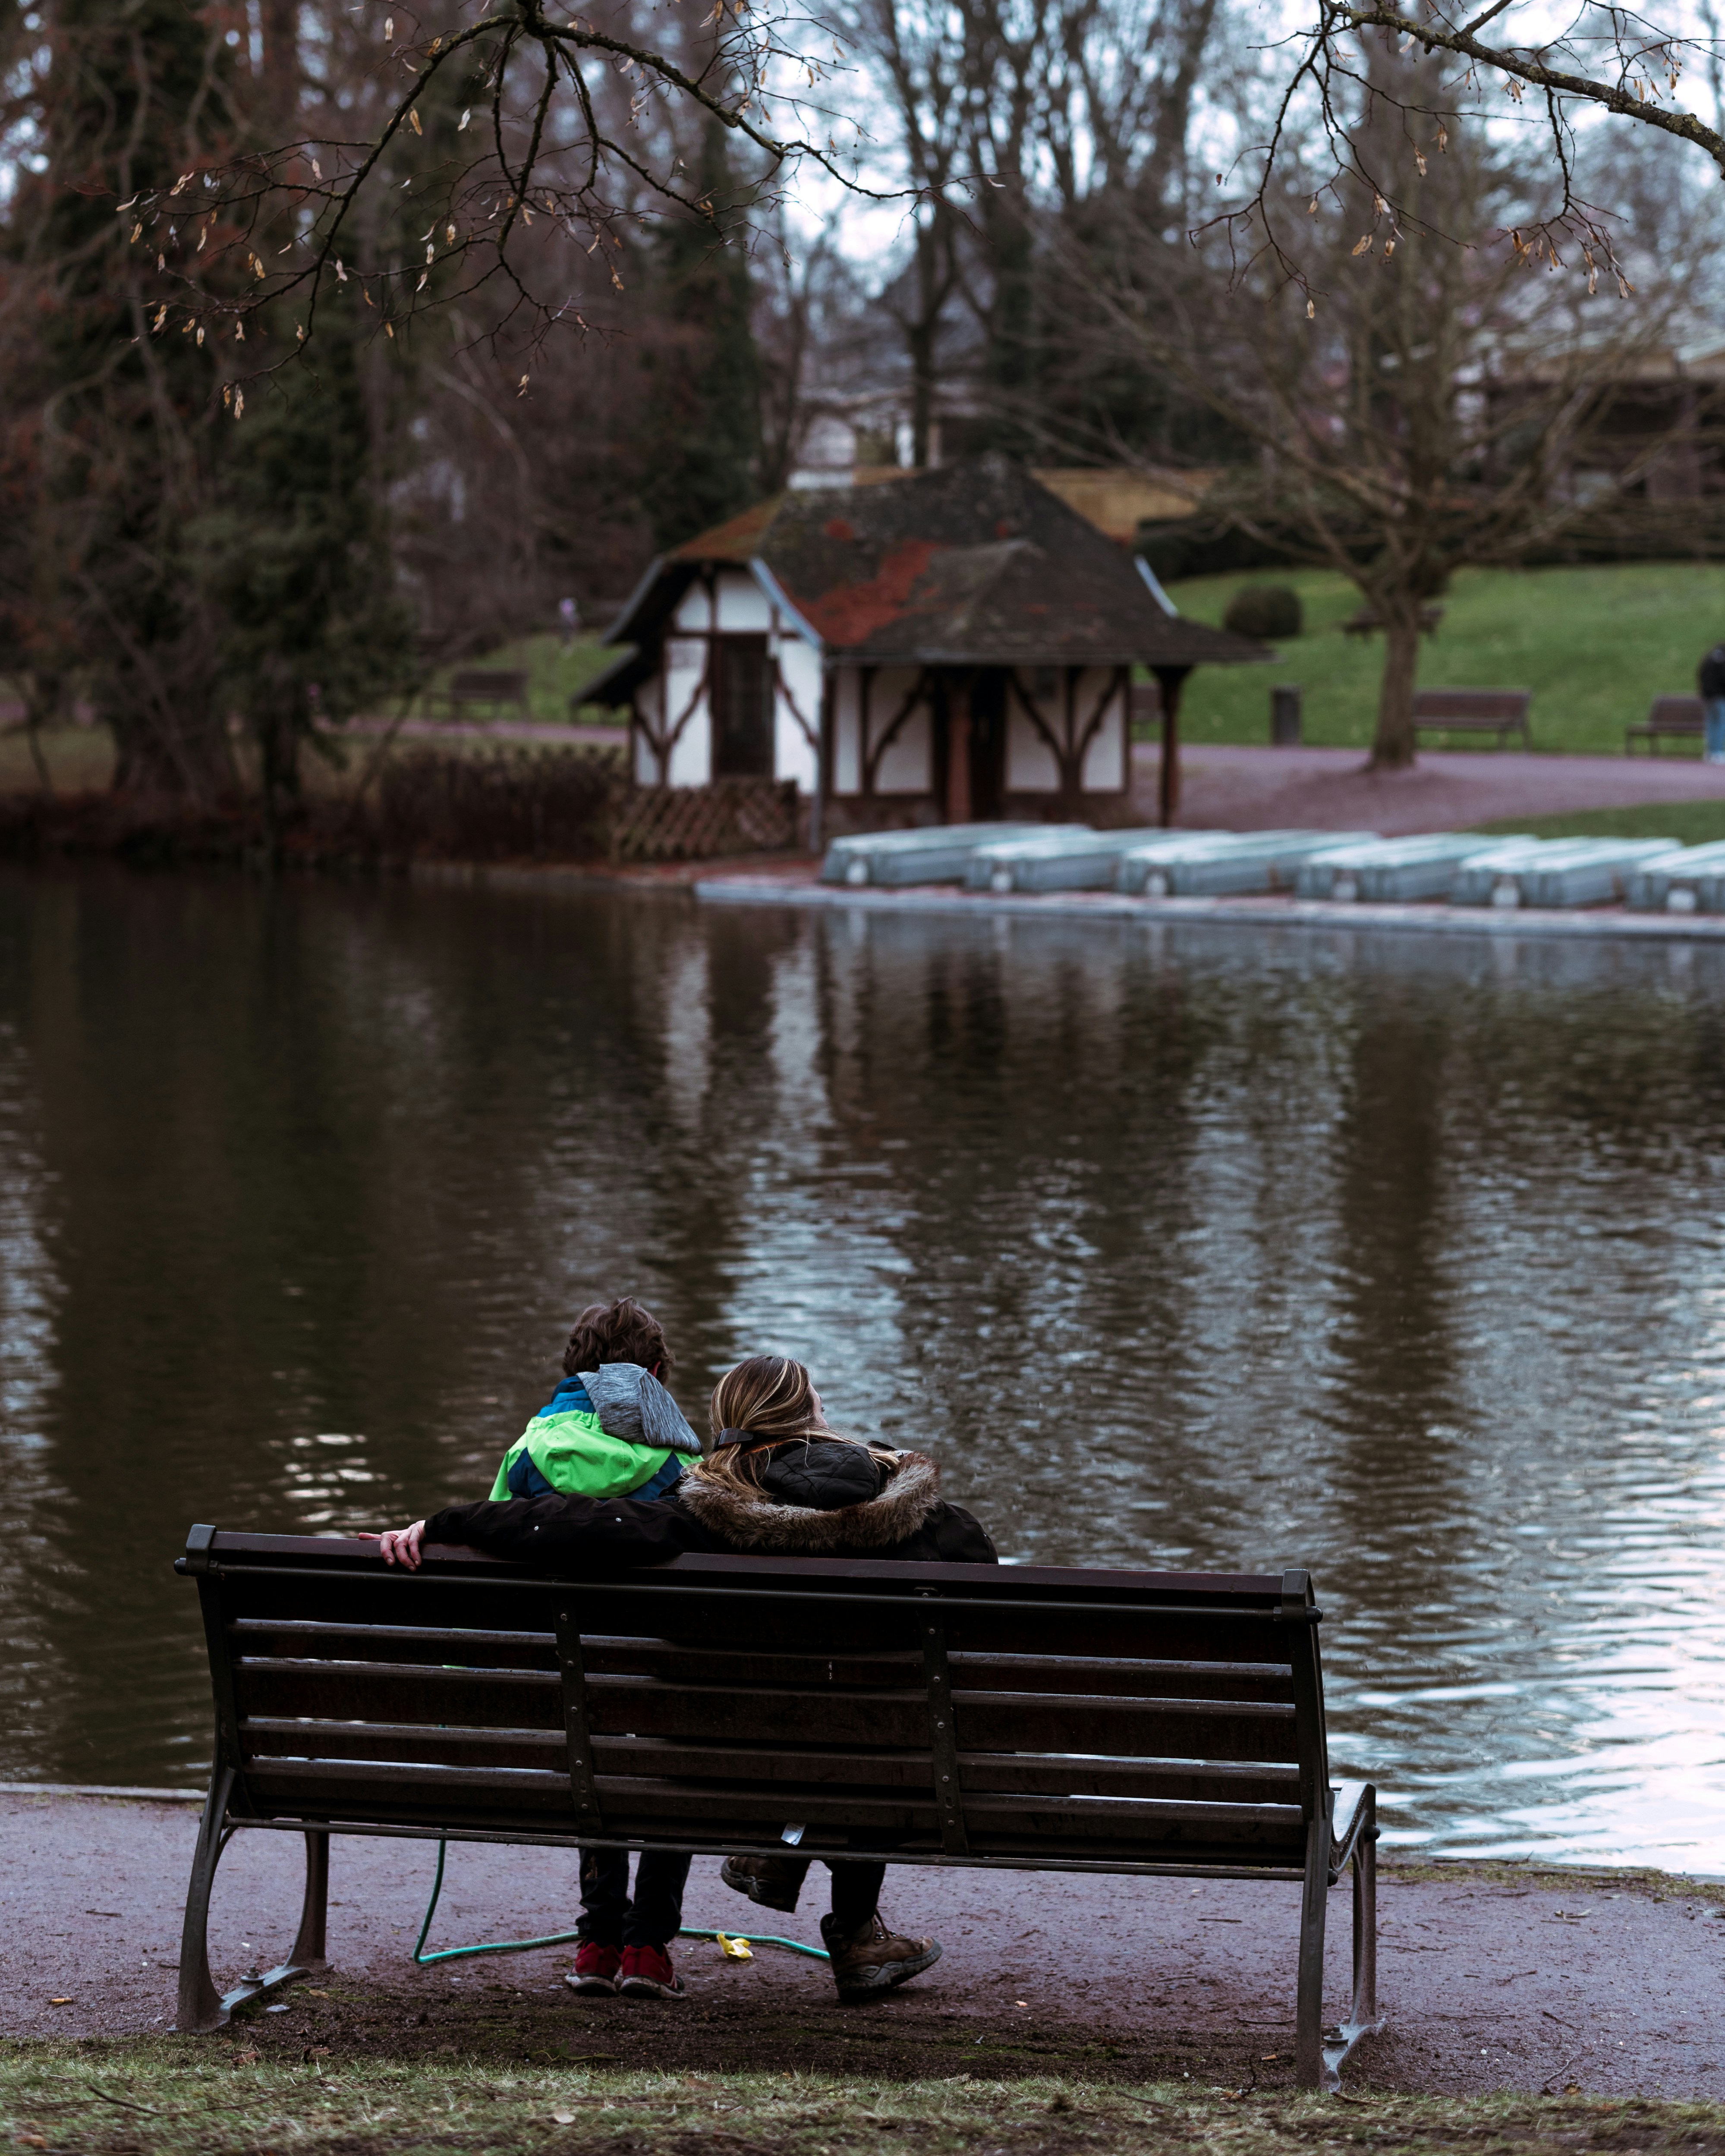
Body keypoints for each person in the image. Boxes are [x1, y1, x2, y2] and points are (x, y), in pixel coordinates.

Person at [375, 1353, 996, 2005]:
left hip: (725, 1771)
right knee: (871, 1726)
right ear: (814, 1414)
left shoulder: (694, 1518)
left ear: (730, 1426)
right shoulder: (928, 1523)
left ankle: (787, 1847)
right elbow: (982, 1579)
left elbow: (570, 1524)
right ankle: (845, 1920)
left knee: (792, 1727)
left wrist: (445, 1526)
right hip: (880, 1771)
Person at [378, 1296, 703, 2002]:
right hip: (656, 1687)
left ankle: (596, 1943)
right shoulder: (684, 1469)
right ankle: (647, 1947)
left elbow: (494, 1568)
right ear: (653, 1374)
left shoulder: (529, 1456)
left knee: (589, 1731)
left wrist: (440, 1527)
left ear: (574, 1372)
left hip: (559, 1695)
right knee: (669, 1745)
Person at [1700, 642, 1725, 765]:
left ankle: (1710, 752)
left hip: (1708, 697)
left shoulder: (1709, 658)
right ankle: (1718, 752)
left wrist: (1704, 692)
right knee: (1720, 724)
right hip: (1719, 697)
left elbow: (1701, 674)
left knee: (1711, 725)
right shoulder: (1722, 661)